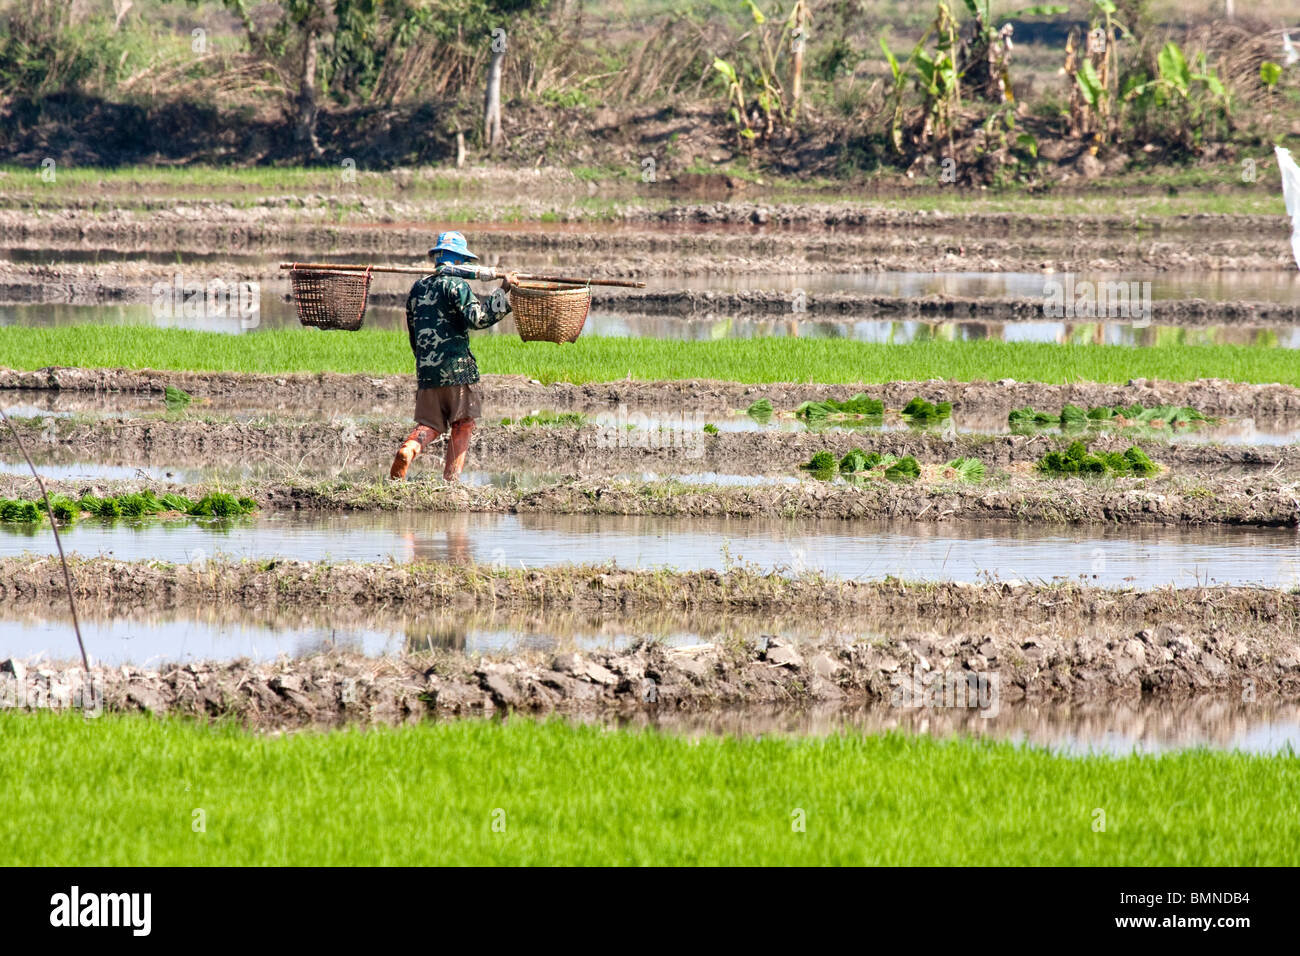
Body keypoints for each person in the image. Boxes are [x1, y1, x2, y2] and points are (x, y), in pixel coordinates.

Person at [389, 231, 518, 481]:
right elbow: (478, 319)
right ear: (457, 261)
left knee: (430, 424)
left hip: (427, 370)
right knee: (463, 423)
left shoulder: (418, 288)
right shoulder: (457, 285)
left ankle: (409, 449)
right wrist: (504, 289)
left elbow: (414, 332)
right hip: (457, 369)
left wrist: (424, 364)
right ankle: (451, 482)